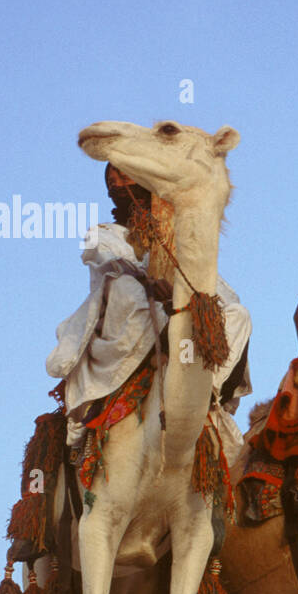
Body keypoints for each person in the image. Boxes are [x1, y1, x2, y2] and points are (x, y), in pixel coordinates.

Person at [46, 164, 252, 454]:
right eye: (112, 181)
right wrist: (152, 273)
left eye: (124, 176)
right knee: (128, 289)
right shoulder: (103, 233)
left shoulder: (177, 238)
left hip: (179, 312)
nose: (118, 185)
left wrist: (190, 294)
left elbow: (216, 289)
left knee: (237, 314)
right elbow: (110, 265)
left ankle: (205, 390)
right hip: (130, 316)